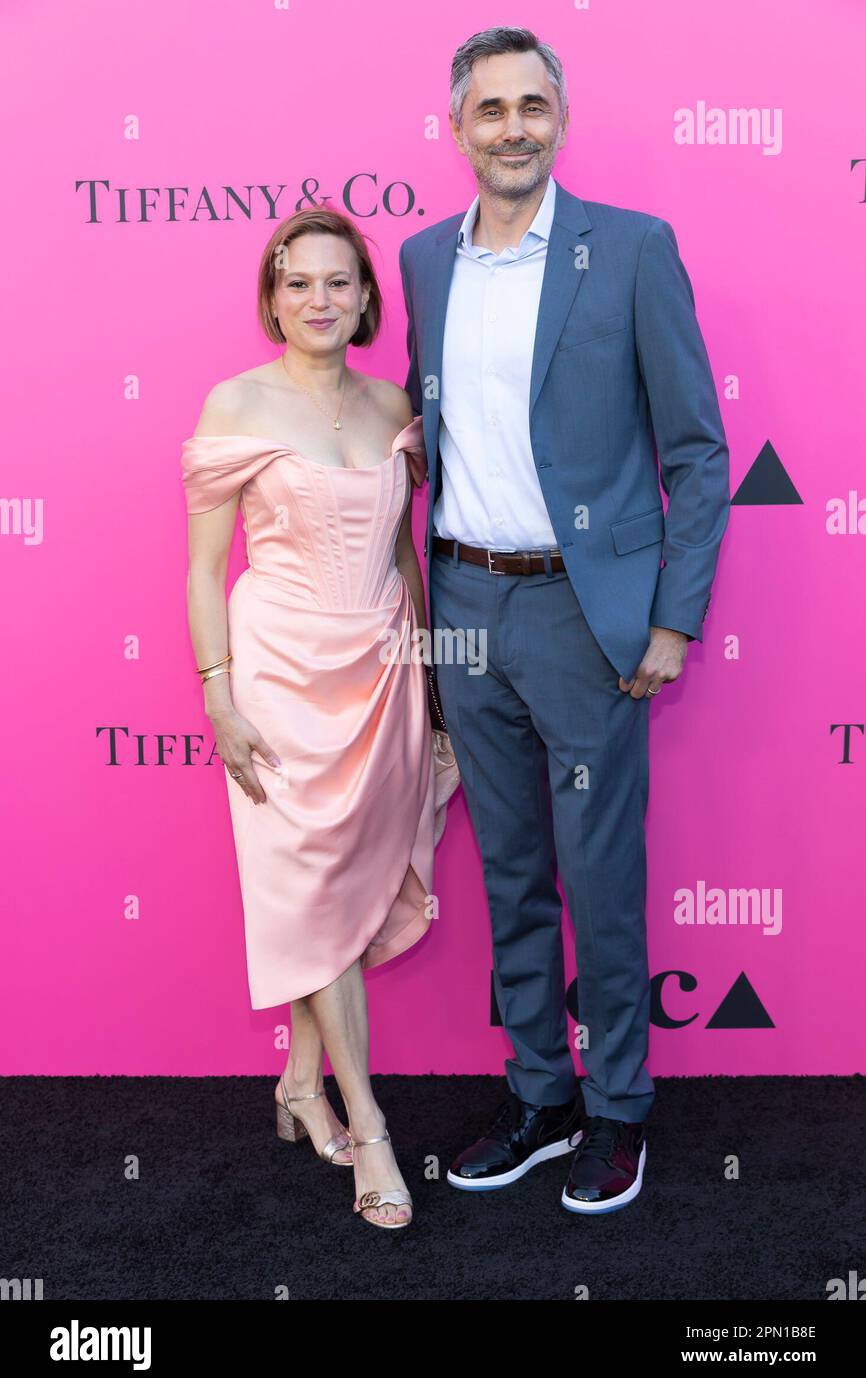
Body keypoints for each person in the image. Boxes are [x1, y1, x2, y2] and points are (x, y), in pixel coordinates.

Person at [398, 26, 730, 1213]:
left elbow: (695, 452)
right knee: (507, 866)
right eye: (489, 110)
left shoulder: (630, 251)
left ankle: (619, 1109)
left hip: (586, 617)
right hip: (464, 604)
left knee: (600, 877)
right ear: (456, 129)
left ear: (561, 118)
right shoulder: (422, 259)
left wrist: (672, 620)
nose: (512, 128)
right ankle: (539, 1093)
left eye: (531, 106)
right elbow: (429, 430)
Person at [181, 207, 458, 1230]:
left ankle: (300, 1081)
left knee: (343, 885)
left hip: (380, 667)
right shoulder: (236, 405)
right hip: (280, 676)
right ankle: (369, 1125)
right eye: (298, 283)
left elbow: (400, 557)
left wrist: (425, 678)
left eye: (338, 283)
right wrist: (217, 691)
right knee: (312, 877)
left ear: (366, 300)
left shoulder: (391, 403)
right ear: (271, 297)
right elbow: (206, 569)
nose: (318, 300)